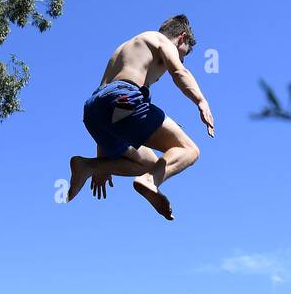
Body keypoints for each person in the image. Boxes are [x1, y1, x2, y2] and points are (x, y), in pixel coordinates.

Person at [65, 14, 215, 221]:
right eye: (184, 53)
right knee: (189, 150)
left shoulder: (126, 49)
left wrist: (102, 161)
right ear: (181, 38)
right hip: (124, 98)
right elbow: (179, 72)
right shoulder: (160, 40)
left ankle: (88, 166)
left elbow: (106, 104)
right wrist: (201, 101)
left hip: (93, 112)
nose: (181, 58)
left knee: (151, 163)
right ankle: (149, 182)